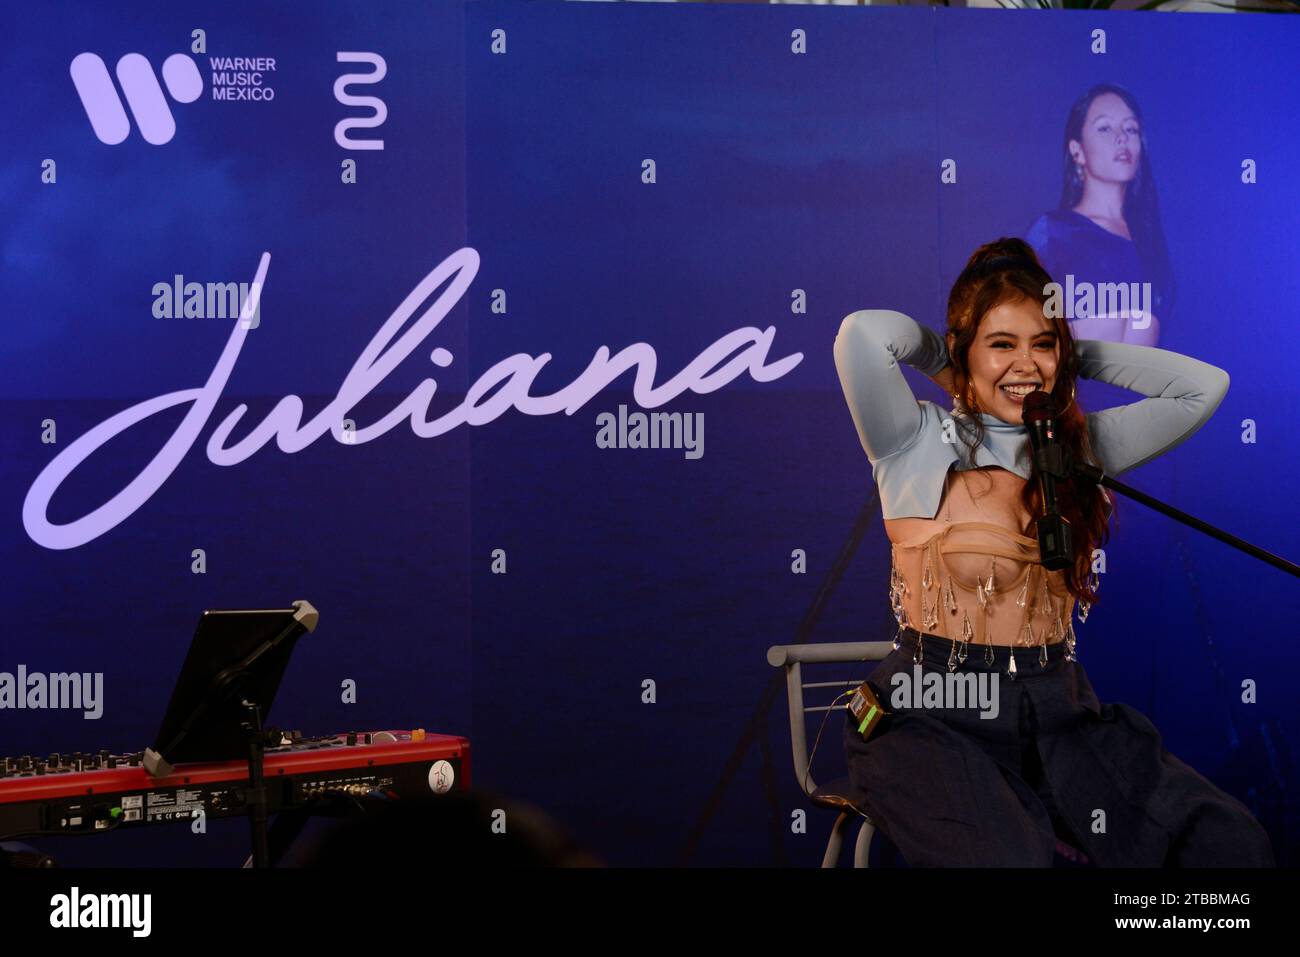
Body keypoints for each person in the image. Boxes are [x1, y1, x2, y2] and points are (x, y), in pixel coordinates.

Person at [830, 237, 1274, 867]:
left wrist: (1069, 359)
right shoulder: (914, 437)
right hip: (930, 713)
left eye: (1041, 343)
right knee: (1013, 859)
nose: (1025, 363)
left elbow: (1200, 389)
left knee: (1227, 845)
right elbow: (862, 336)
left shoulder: (1079, 449)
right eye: (1001, 344)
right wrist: (951, 361)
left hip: (1056, 711)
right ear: (964, 350)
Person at [1026, 83, 1174, 348]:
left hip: (1146, 389)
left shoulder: (1151, 238)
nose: (1122, 138)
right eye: (1105, 128)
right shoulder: (1053, 233)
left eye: (1131, 129)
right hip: (1078, 388)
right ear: (1077, 150)